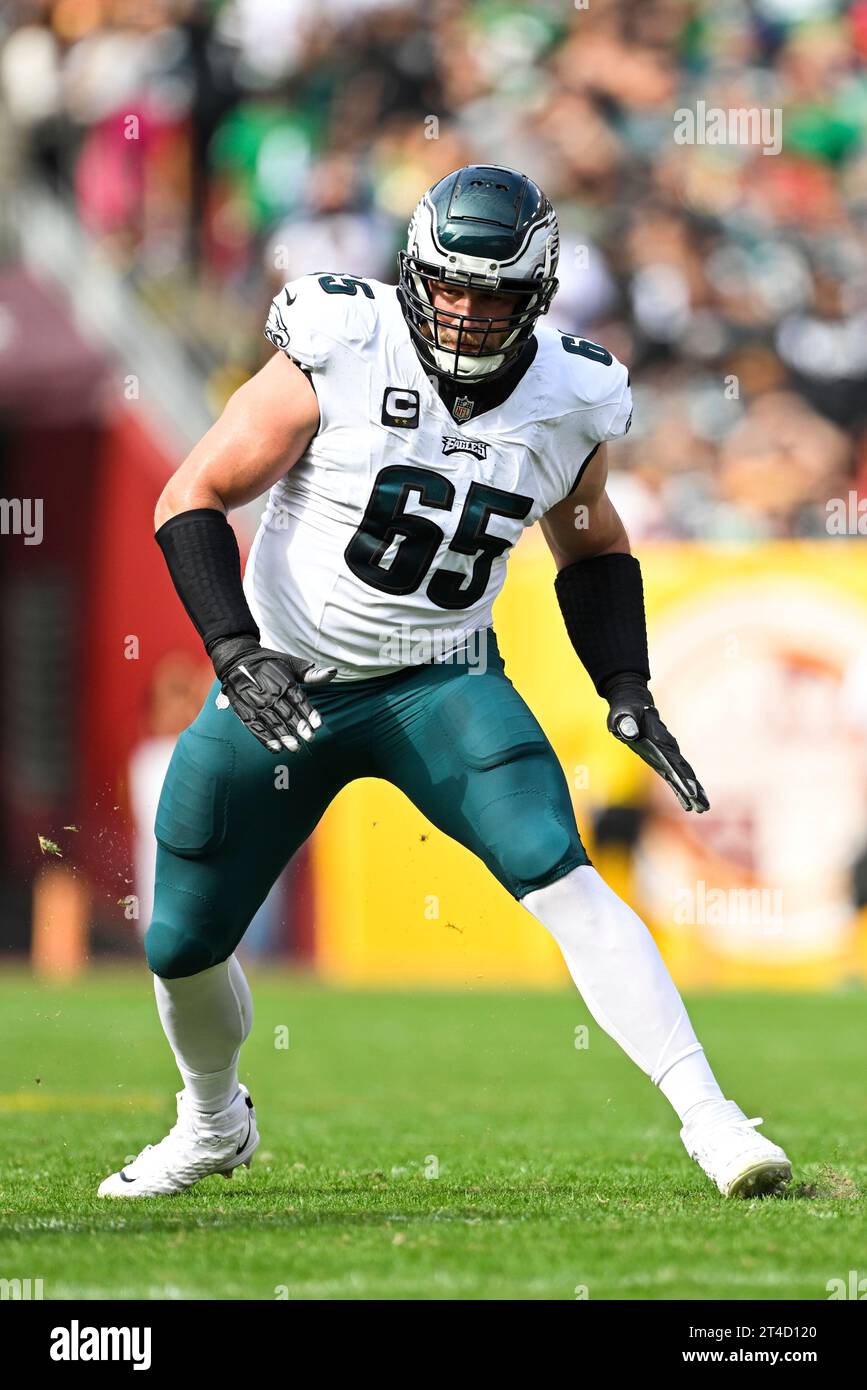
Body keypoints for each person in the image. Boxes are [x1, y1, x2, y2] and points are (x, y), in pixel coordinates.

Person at [98, 165, 791, 1199]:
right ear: (416, 275)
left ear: (540, 295)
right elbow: (189, 494)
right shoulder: (338, 339)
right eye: (450, 286)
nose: (466, 313)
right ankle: (211, 1120)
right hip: (284, 677)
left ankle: (715, 1121)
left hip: (442, 678)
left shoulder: (573, 393)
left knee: (560, 870)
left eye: (494, 294)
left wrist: (626, 681)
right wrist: (235, 651)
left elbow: (593, 546)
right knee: (181, 942)